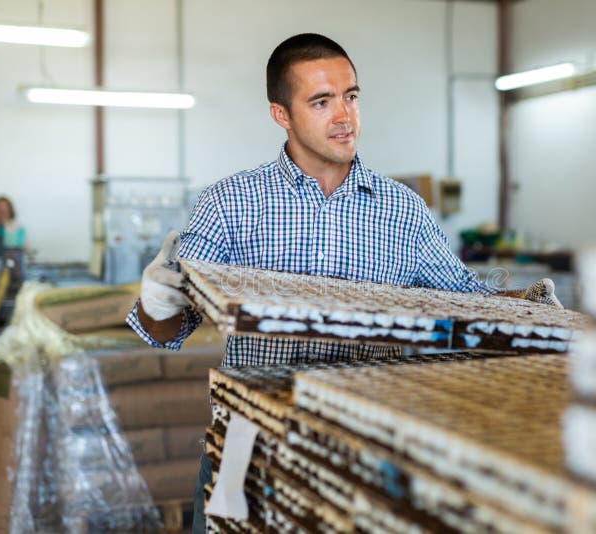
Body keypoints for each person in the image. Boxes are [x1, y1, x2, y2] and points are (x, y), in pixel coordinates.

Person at [125, 33, 561, 533]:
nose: (344, 115)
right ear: (281, 115)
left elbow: (466, 301)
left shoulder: (402, 210)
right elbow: (170, 331)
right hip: (252, 443)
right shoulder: (230, 204)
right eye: (321, 101)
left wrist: (532, 306)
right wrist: (159, 302)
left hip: (363, 452)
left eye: (351, 96)